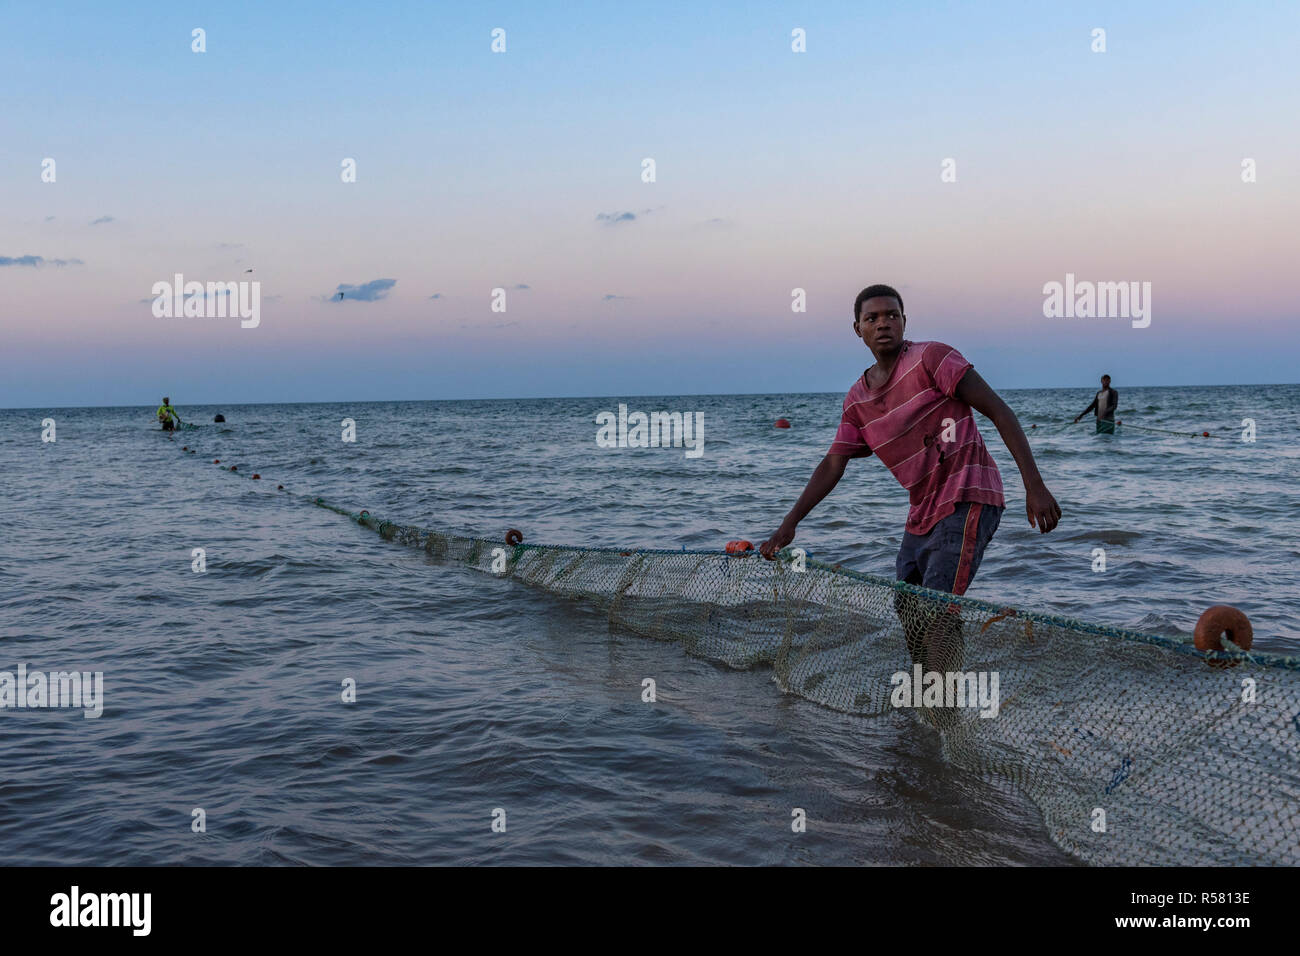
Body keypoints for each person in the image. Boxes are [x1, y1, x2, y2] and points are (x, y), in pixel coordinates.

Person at [759, 285, 1060, 681]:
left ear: (904, 321)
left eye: (892, 315)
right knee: (909, 606)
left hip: (970, 496)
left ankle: (945, 713)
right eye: (873, 318)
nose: (884, 323)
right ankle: (927, 706)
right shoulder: (857, 401)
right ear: (858, 330)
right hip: (922, 513)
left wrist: (1034, 486)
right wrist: (789, 524)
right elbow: (833, 464)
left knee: (937, 607)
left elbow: (999, 411)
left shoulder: (932, 359)